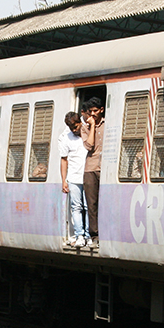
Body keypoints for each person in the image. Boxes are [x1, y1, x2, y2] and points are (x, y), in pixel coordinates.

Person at [58, 111, 89, 248]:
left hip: (88, 175)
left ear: (80, 122)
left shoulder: (88, 133)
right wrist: (64, 180)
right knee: (76, 207)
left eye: (76, 127)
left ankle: (88, 235)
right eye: (72, 129)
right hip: (74, 177)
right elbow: (64, 160)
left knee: (88, 207)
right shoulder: (66, 138)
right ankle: (79, 235)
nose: (75, 130)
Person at [81, 97, 105, 247]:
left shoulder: (108, 124)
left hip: (105, 167)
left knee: (104, 202)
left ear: (101, 110)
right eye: (90, 112)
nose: (93, 114)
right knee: (92, 203)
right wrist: (93, 127)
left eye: (95, 111)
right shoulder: (86, 127)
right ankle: (94, 235)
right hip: (91, 168)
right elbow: (89, 145)